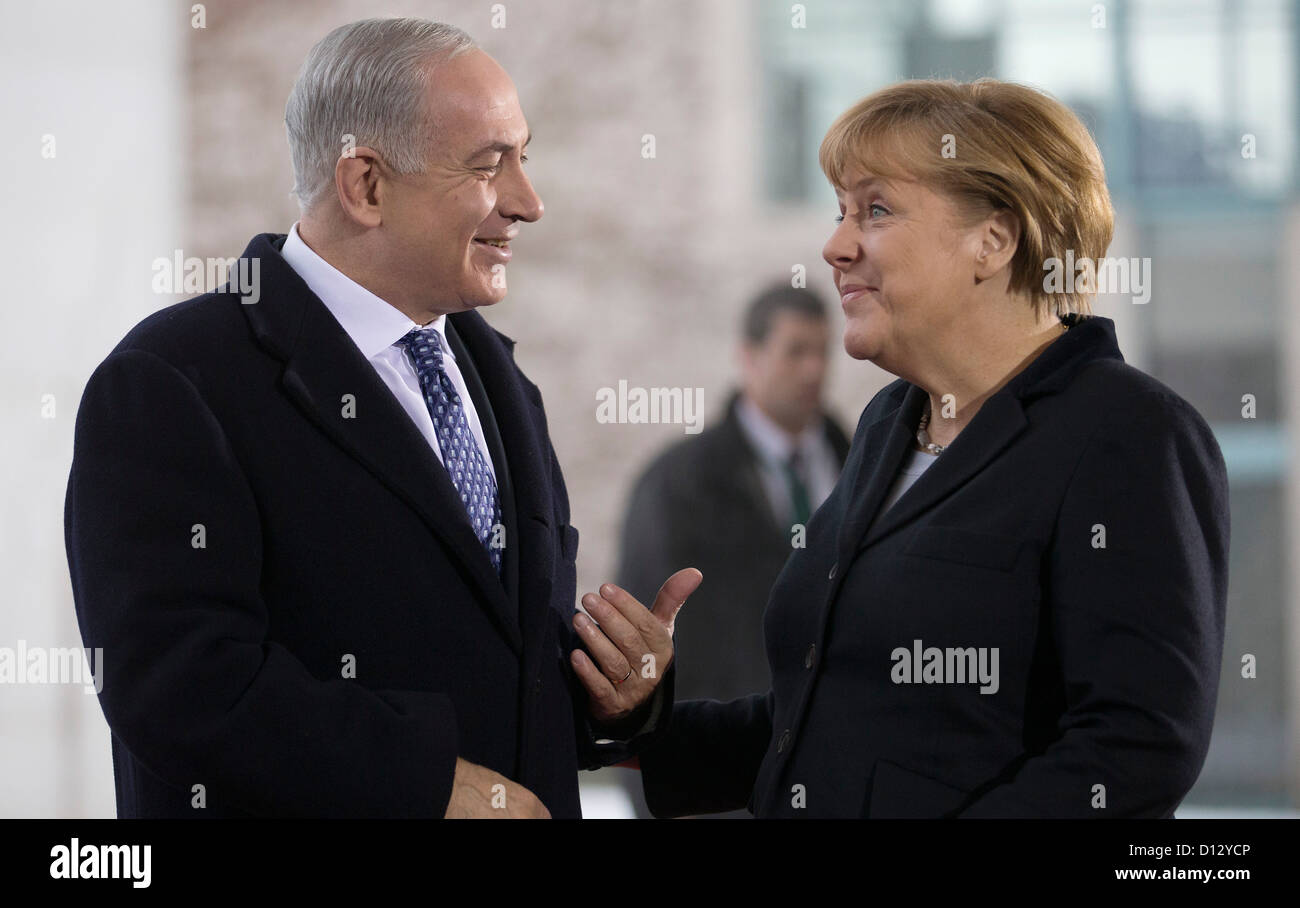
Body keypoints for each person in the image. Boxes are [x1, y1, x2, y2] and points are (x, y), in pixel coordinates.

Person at [63, 17, 697, 819]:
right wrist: (424, 780)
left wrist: (615, 700)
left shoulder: (498, 375)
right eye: (488, 166)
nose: (529, 203)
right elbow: (179, 686)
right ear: (365, 184)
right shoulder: (171, 382)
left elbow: (489, 666)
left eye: (524, 160)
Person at [619, 78, 1231, 817]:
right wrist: (641, 717)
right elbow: (822, 720)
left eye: (875, 210)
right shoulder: (886, 424)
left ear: (993, 240)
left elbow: (1133, 752)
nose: (835, 245)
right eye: (841, 212)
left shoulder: (1129, 434)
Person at [618, 284, 850, 704]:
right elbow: (645, 628)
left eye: (822, 352)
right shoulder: (678, 483)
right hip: (724, 742)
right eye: (796, 351)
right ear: (750, 357)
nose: (814, 370)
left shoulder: (859, 463)